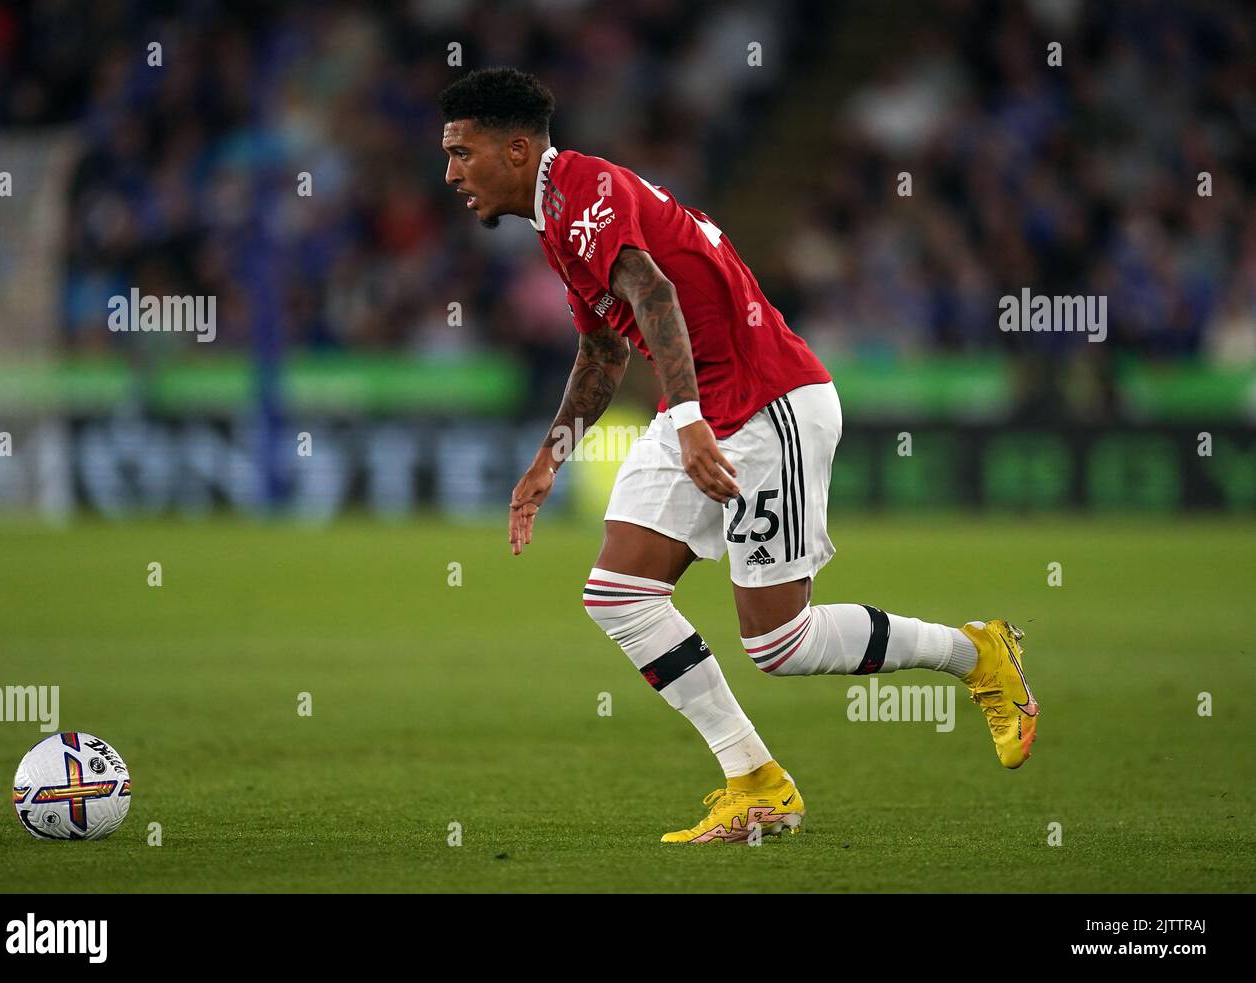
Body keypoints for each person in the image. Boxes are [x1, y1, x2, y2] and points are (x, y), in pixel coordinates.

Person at [440, 68, 1039, 844]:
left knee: (779, 644)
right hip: (697, 408)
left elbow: (651, 289)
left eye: (462, 152)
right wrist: (553, 454)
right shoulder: (559, 221)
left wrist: (690, 419)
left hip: (765, 403)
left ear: (516, 150)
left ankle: (977, 651)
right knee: (619, 594)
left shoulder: (585, 189)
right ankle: (757, 782)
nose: (451, 173)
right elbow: (602, 348)